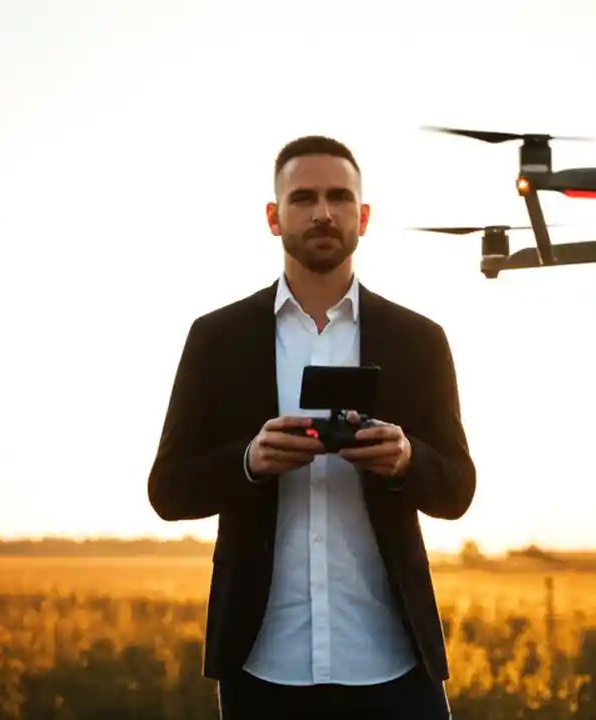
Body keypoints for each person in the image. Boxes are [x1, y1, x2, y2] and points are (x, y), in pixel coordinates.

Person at [147, 134, 476, 719]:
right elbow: (168, 489)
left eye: (339, 197)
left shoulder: (419, 340)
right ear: (274, 218)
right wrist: (250, 461)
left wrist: (406, 460)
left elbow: (457, 490)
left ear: (363, 216)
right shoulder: (217, 338)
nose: (323, 212)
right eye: (303, 198)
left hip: (394, 663)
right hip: (262, 663)